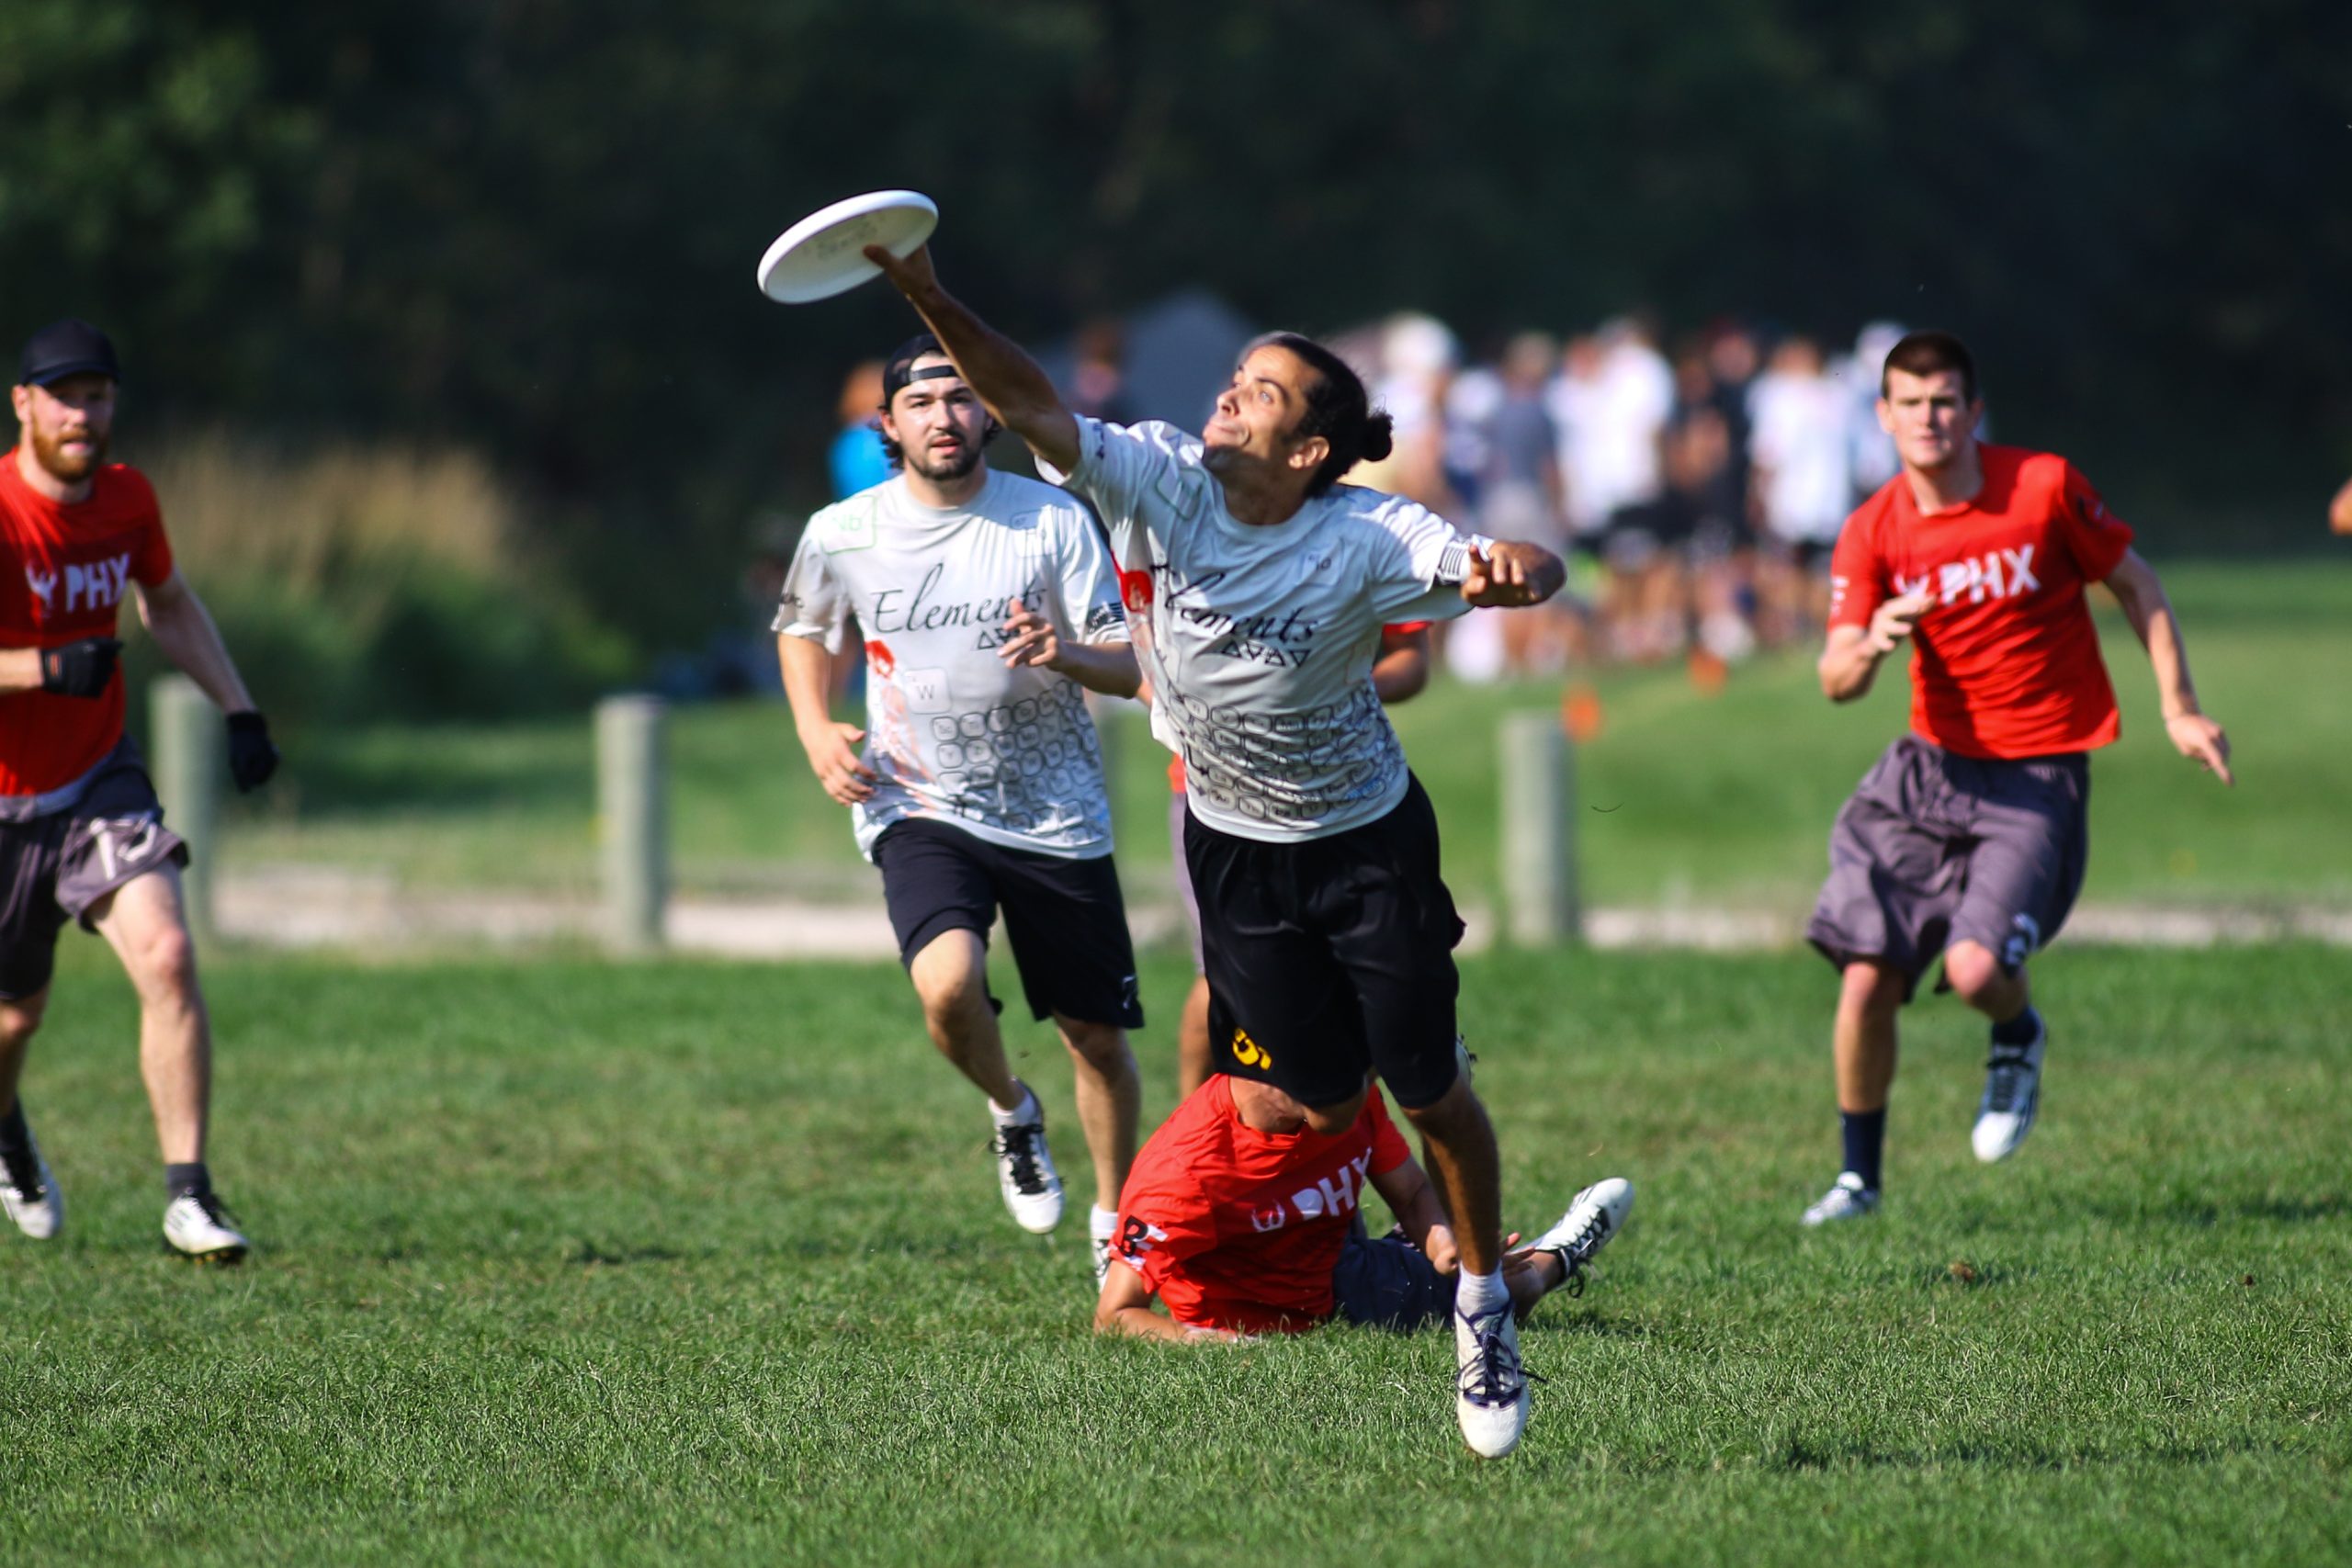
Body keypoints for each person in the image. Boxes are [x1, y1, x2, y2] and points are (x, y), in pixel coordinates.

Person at [864, 240, 1567, 1459]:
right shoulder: (1156, 477)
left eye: (1265, 391)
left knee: (1428, 1082)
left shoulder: (1364, 531)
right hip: (1235, 850)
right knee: (1318, 1098)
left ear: (1308, 451)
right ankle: (1353, 1240)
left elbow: (1511, 565)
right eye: (1236, 376)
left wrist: (1517, 568)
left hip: (1366, 844)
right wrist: (926, 288)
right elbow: (1028, 399)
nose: (1232, 394)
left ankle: (1484, 1302)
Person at [1800, 331, 2233, 1226]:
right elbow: (1835, 675)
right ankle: (1857, 1181)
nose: (1930, 418)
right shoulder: (1874, 526)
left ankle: (2015, 1029)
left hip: (2034, 772)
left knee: (1971, 967)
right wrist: (1874, 639)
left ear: (1973, 409)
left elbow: (2137, 585)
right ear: (1883, 417)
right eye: (1911, 403)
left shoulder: (2041, 487)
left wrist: (2179, 707)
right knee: (1864, 977)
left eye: (1946, 400)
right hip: (1926, 772)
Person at [775, 333, 1146, 1280]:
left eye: (960, 399)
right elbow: (805, 628)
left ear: (986, 413)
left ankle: (1118, 1225)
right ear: (888, 425)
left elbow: (1129, 661)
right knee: (945, 988)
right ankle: (1012, 1111)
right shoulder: (843, 531)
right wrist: (817, 729)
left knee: (1094, 1036)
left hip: (1054, 808)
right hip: (918, 799)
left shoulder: (1050, 522)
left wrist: (1061, 652)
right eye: (922, 403)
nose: (944, 417)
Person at [0, 320, 278, 1261]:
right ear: (24, 405)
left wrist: (240, 709)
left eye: (101, 395)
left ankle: (189, 1198)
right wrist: (42, 672)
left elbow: (167, 602)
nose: (86, 414)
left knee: (165, 954)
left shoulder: (128, 500)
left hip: (94, 783)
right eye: (67, 395)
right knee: (12, 1017)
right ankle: (7, 1136)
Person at [1095, 1070, 1633, 1342]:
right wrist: (1205, 1344)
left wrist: (1443, 1239)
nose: (1365, 1081)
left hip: (1324, 1242)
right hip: (1297, 1296)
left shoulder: (1340, 1087)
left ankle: (1411, 1252)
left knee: (1475, 1276)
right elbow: (1114, 1314)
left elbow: (1412, 1191)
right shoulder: (1181, 1176)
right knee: (1500, 1301)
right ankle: (1552, 1259)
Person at [1169, 621, 1431, 1100]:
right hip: (1222, 806)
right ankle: (1193, 1130)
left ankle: (1343, 1132)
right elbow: (1142, 664)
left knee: (1353, 977)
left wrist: (1337, 692)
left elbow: (1411, 657)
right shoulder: (1186, 549)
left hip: (1342, 800)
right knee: (1219, 978)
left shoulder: (1364, 545)